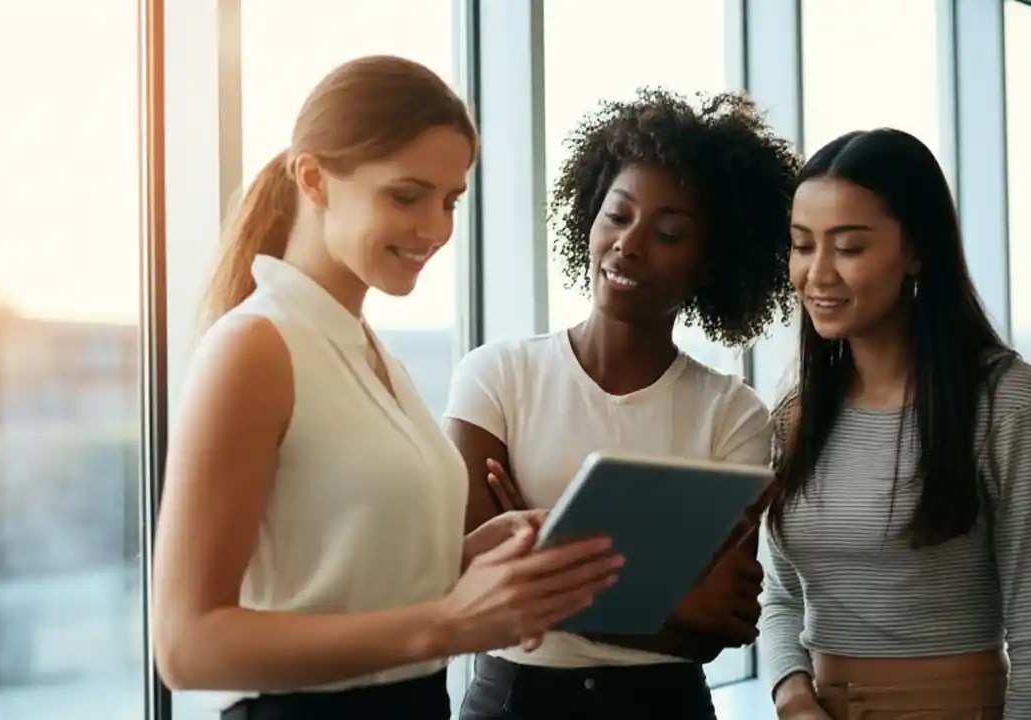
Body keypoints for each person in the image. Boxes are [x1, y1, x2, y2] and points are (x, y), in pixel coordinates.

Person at [150, 55, 623, 720]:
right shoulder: (254, 348)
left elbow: (338, 585)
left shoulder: (370, 354)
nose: (435, 229)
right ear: (313, 179)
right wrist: (448, 623)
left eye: (450, 200)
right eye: (406, 195)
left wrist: (469, 563)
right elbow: (187, 646)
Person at [443, 88, 803, 720]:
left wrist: (544, 567)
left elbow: (715, 624)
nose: (629, 244)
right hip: (511, 704)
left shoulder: (733, 414)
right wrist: (666, 598)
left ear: (710, 262)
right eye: (618, 215)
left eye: (669, 232)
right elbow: (477, 591)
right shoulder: (496, 376)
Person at [762, 128, 1031, 720]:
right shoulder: (796, 417)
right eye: (802, 245)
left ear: (916, 250)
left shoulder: (1011, 407)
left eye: (849, 247)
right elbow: (780, 597)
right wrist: (792, 694)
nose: (817, 273)